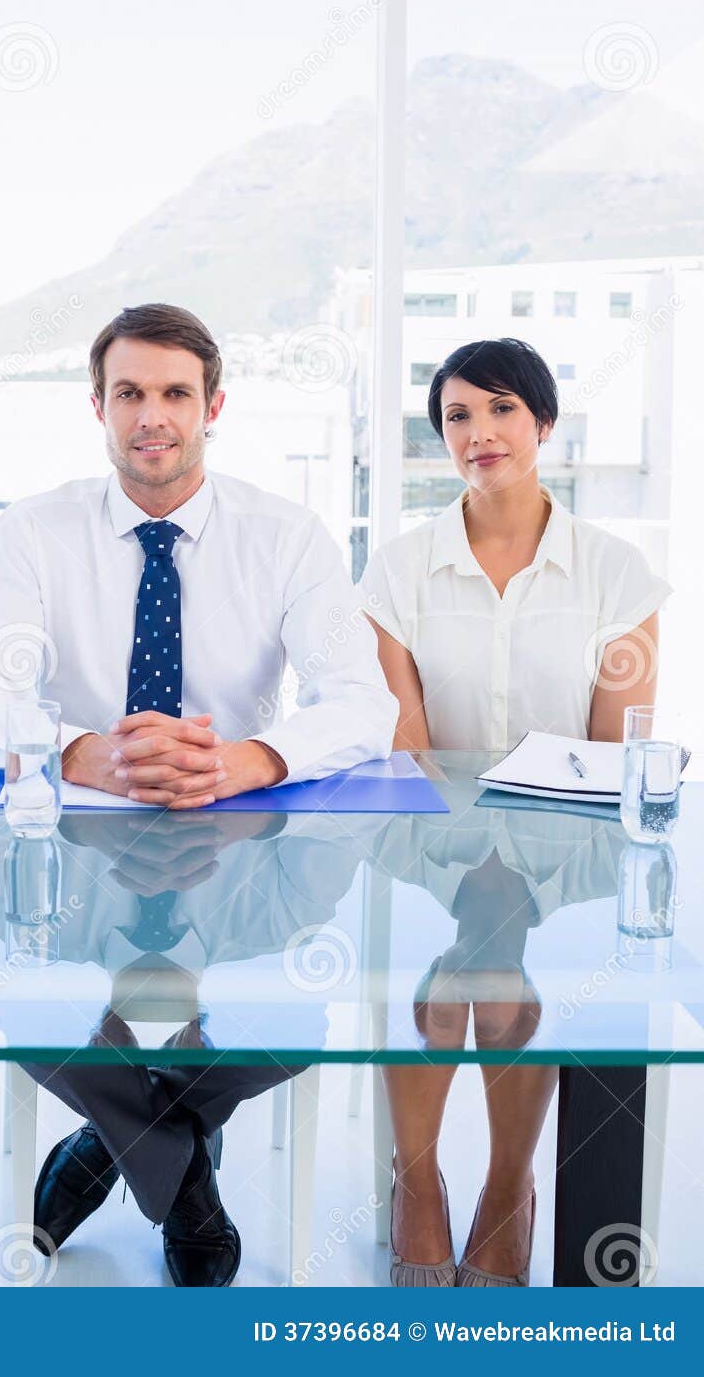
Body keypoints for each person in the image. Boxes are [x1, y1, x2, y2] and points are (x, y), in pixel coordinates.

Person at [0, 301, 396, 1286]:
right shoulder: (34, 532)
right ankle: (187, 1194)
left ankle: (109, 1147)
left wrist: (249, 758)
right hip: (73, 852)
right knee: (27, 1002)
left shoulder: (285, 535)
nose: (153, 415)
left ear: (211, 405)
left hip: (241, 849)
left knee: (293, 1012)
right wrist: (72, 750)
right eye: (129, 392)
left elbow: (363, 703)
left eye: (174, 393)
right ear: (96, 406)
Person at [361, 337, 670, 1287]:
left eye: (500, 409)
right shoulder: (398, 571)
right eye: (457, 415)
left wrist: (517, 860)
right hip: (425, 833)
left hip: (565, 841)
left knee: (498, 973)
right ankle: (418, 1185)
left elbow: (612, 753)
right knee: (438, 969)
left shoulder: (617, 573)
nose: (479, 432)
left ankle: (507, 1186)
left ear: (542, 422)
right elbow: (406, 750)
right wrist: (469, 857)